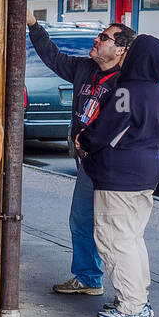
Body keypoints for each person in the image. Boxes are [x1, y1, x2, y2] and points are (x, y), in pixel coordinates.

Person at [26, 16, 131, 296]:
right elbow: (53, 57)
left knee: (115, 229)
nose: (96, 40)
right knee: (81, 219)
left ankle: (129, 296)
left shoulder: (127, 81)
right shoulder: (85, 69)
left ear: (121, 49)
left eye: (104, 37)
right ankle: (88, 277)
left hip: (114, 165)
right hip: (88, 163)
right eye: (99, 35)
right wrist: (34, 25)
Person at [75, 31, 159, 317]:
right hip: (145, 172)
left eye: (131, 51)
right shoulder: (157, 90)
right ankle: (137, 298)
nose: (125, 55)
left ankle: (132, 307)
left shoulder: (127, 90)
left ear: (140, 57)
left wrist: (85, 141)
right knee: (131, 238)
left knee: (114, 239)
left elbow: (106, 128)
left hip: (120, 175)